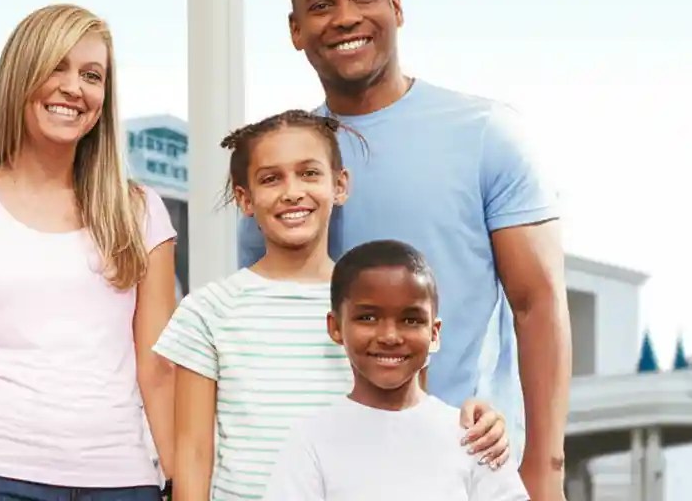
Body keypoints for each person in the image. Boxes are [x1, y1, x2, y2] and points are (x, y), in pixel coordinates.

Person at [238, 0, 572, 499]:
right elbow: (265, 334)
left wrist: (546, 467)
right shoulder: (287, 172)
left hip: (469, 469)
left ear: (396, 6)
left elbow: (537, 302)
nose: (346, 17)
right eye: (321, 5)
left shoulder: (487, 134)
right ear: (296, 30)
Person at [0, 4, 178, 501]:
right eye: (56, 67)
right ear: (19, 77)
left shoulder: (140, 212)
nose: (74, 87)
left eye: (92, 75)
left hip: (120, 479)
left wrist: (182, 483)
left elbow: (158, 370)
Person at [154, 111, 510, 501]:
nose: (292, 192)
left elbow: (413, 420)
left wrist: (477, 421)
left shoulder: (388, 304)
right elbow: (193, 453)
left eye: (309, 173)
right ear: (245, 199)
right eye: (271, 178)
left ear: (339, 185)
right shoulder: (208, 311)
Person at [263, 240, 531, 501]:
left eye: (410, 320)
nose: (390, 336)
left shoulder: (473, 437)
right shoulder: (311, 440)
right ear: (335, 327)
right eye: (368, 317)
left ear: (434, 333)